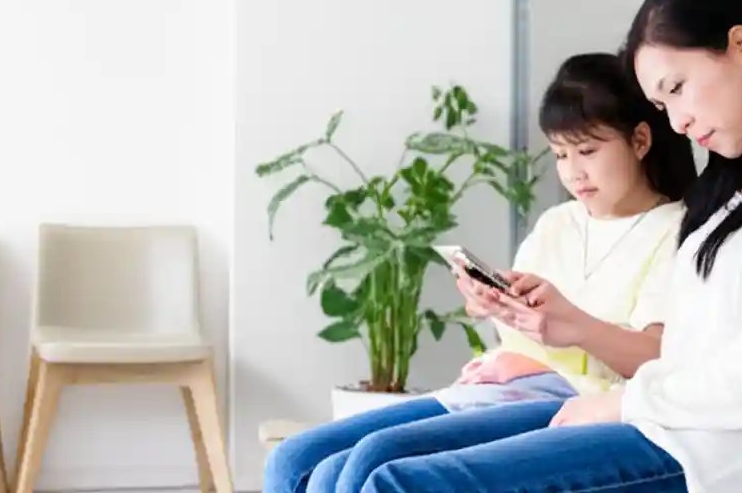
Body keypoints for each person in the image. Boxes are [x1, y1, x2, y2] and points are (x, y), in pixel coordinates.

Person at [354, 0, 742, 493]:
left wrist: (624, 402)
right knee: (370, 469)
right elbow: (688, 350)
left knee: (399, 483)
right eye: (663, 104)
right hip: (658, 425)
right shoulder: (732, 187)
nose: (677, 122)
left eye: (677, 88)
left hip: (715, 462)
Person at [262, 52, 697, 493]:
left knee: (367, 464)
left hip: (576, 396)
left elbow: (657, 358)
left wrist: (567, 331)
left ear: (640, 141)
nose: (573, 172)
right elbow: (526, 326)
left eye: (587, 151)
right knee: (294, 459)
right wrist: (493, 305)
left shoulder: (678, 231)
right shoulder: (557, 224)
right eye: (561, 154)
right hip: (504, 385)